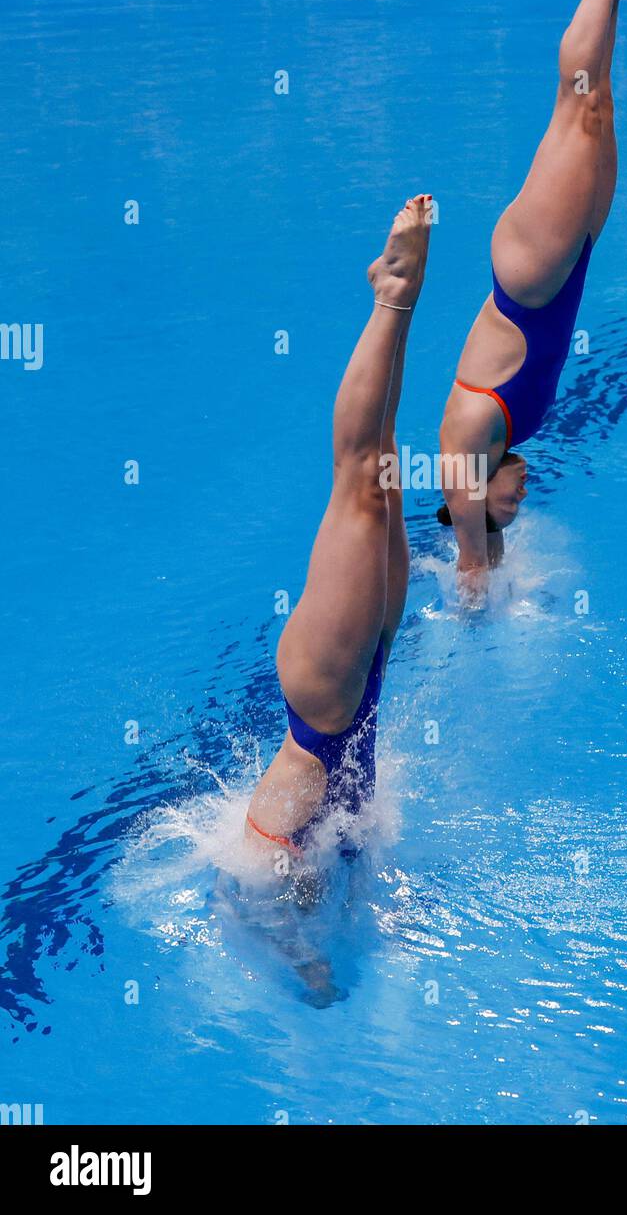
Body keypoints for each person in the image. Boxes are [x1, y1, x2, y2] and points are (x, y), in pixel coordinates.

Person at [437, 0, 627, 594]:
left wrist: (475, 571)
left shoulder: (466, 449)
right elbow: (485, 547)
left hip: (530, 276)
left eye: (508, 507)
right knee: (598, 103)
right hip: (565, 269)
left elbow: (471, 564)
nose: (522, 500)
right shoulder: (505, 440)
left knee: (576, 104)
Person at [245, 194, 432, 864]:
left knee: (361, 485)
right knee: (378, 468)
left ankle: (394, 294)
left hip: (323, 707)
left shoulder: (266, 870)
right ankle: (398, 294)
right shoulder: (290, 874)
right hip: (357, 690)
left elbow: (266, 867)